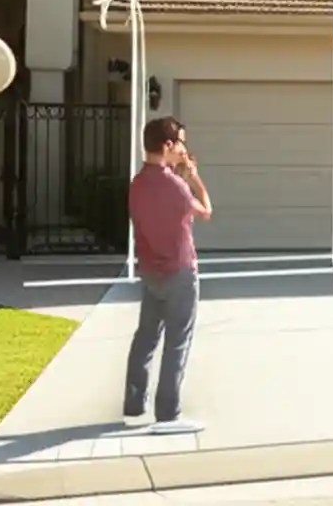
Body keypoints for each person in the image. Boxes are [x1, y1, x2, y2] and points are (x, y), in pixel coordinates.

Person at [123, 115, 213, 434]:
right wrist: (194, 177)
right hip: (179, 272)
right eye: (181, 143)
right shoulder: (177, 185)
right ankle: (168, 414)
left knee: (146, 336)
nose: (185, 148)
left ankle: (133, 406)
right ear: (169, 145)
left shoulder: (137, 184)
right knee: (178, 341)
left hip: (151, 273)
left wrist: (178, 173)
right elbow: (206, 211)